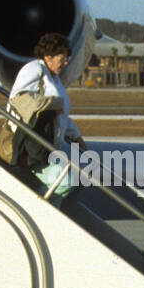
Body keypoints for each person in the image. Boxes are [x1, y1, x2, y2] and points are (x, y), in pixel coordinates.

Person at [9, 33, 86, 199]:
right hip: (31, 142)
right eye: (62, 58)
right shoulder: (34, 69)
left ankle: (48, 217)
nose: (65, 63)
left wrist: (76, 136)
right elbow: (17, 100)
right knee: (65, 181)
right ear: (48, 56)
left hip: (47, 143)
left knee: (66, 184)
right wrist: (53, 104)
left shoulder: (53, 77)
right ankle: (34, 210)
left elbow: (62, 115)